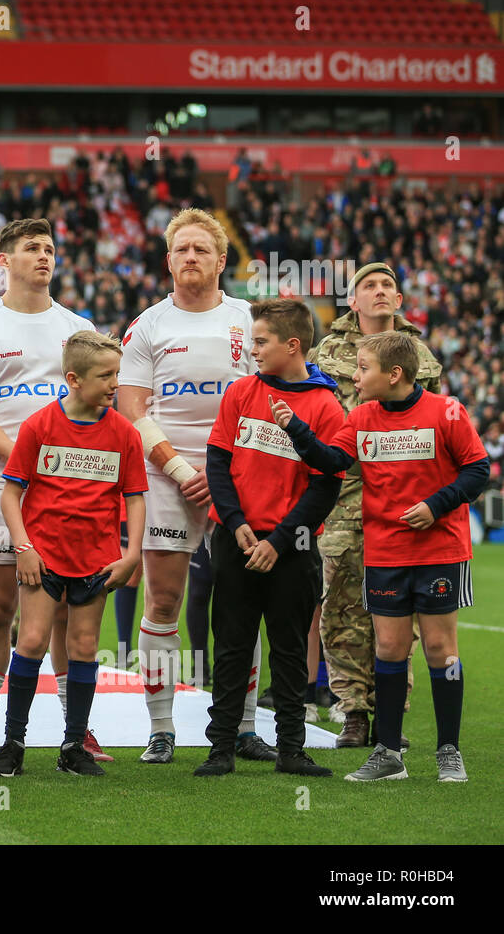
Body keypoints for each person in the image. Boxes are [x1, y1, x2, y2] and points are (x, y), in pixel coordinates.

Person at [271, 331, 488, 783]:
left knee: (439, 648)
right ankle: (388, 753)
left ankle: (449, 751)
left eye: (364, 367)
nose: (355, 374)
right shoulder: (363, 416)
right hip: (385, 551)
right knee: (389, 648)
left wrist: (437, 504)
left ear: (395, 374)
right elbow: (332, 461)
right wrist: (296, 427)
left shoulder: (447, 411)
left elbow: (478, 469)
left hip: (439, 551)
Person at [116, 208, 274, 765]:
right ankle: (161, 729)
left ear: (221, 260)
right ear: (168, 260)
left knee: (243, 602)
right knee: (162, 599)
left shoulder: (249, 319)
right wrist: (182, 470)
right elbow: (131, 409)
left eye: (201, 250)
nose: (190, 258)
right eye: (181, 249)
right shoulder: (147, 325)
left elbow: (269, 398)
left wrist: (225, 470)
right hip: (166, 477)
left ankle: (244, 726)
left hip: (238, 475)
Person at [0, 218, 105, 765]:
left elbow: (98, 404)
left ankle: (76, 731)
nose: (43, 256)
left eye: (49, 248)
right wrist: (23, 460)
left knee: (65, 613)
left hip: (72, 489)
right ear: (4, 260)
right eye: (31, 249)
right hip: (3, 486)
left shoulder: (79, 328)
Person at [195, 299, 344, 778]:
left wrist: (278, 541)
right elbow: (218, 462)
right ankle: (220, 749)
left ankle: (291, 751)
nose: (252, 349)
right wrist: (235, 521)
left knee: (287, 650)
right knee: (232, 646)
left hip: (292, 546)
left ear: (292, 345)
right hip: (236, 539)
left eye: (261, 341)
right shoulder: (241, 392)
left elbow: (326, 483)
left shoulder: (324, 404)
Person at [0, 332, 146, 777]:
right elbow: (10, 493)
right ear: (73, 379)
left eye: (118, 373)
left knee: (83, 646)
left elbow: (134, 497)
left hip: (97, 560)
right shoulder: (40, 425)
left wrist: (132, 553)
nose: (115, 383)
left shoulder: (124, 434)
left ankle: (74, 746)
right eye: (106, 376)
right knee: (33, 641)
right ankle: (12, 744)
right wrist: (24, 548)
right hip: (45, 557)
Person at [309, 263, 442, 748]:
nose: (380, 291)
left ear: (400, 300)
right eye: (370, 285)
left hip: (403, 501)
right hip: (343, 500)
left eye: (388, 285)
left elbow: (433, 426)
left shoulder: (421, 355)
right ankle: (353, 714)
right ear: (354, 302)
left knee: (396, 617)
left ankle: (390, 718)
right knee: (342, 610)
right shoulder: (326, 354)